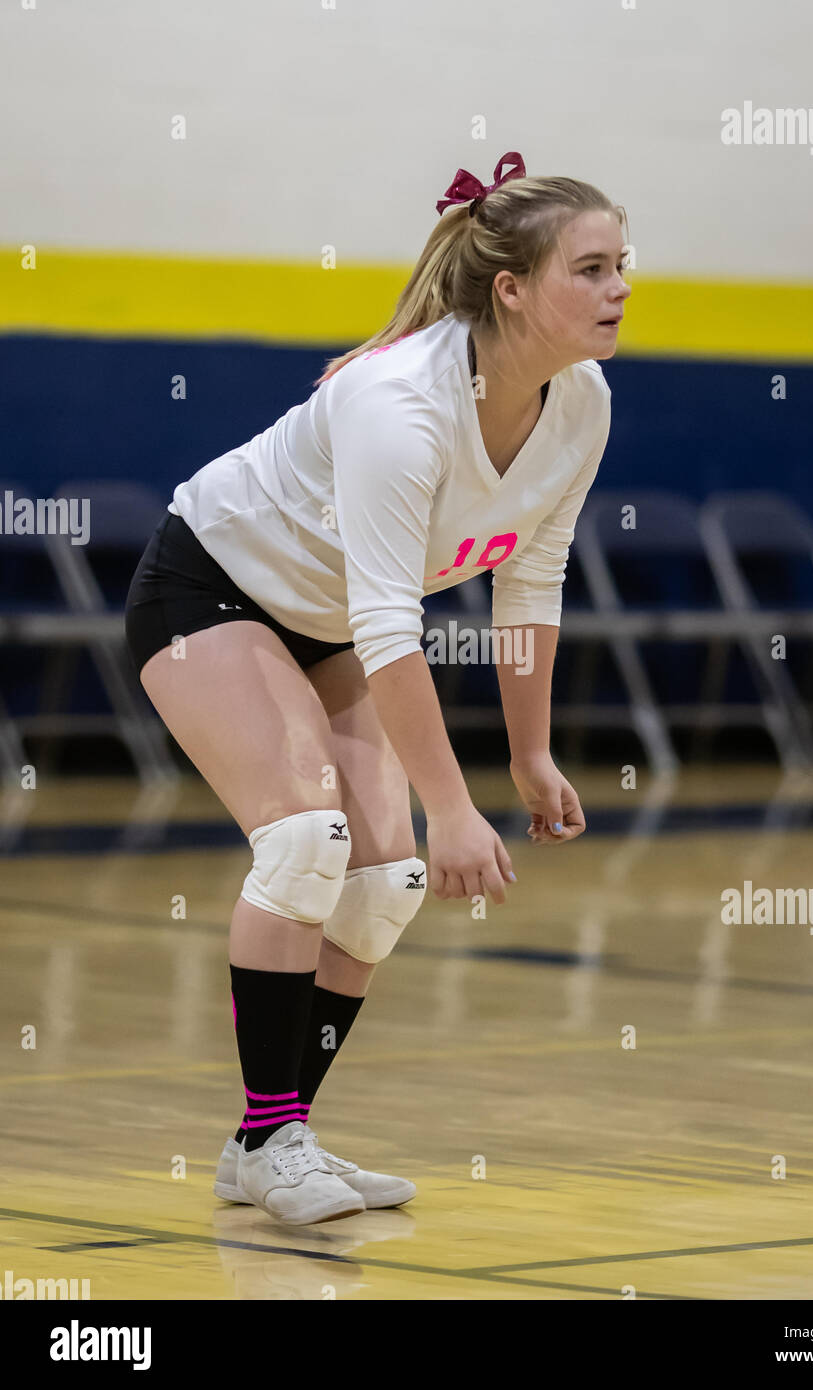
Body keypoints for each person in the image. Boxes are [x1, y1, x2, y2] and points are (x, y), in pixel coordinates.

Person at [123, 150, 630, 1226]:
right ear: (512, 287)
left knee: (386, 877)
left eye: (622, 265)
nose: (620, 288)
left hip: (324, 621)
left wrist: (528, 757)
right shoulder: (399, 403)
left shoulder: (581, 403)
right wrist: (453, 808)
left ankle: (270, 1140)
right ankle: (271, 1135)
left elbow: (528, 579)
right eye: (590, 268)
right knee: (306, 841)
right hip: (209, 586)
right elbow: (390, 623)